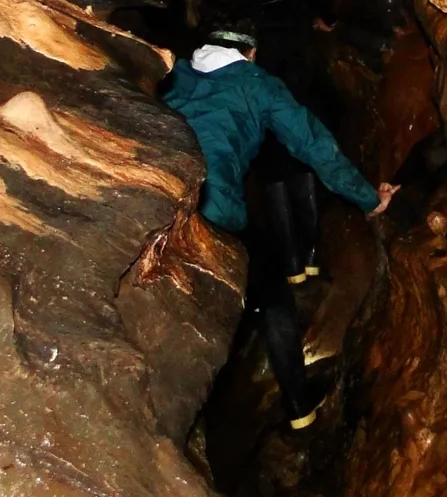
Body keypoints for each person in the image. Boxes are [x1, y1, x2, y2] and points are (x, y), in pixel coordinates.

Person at [163, 23, 397, 429]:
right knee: (272, 299)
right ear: (250, 53)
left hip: (161, 200)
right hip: (213, 208)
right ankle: (298, 405)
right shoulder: (257, 84)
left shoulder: (173, 74)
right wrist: (370, 199)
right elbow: (315, 145)